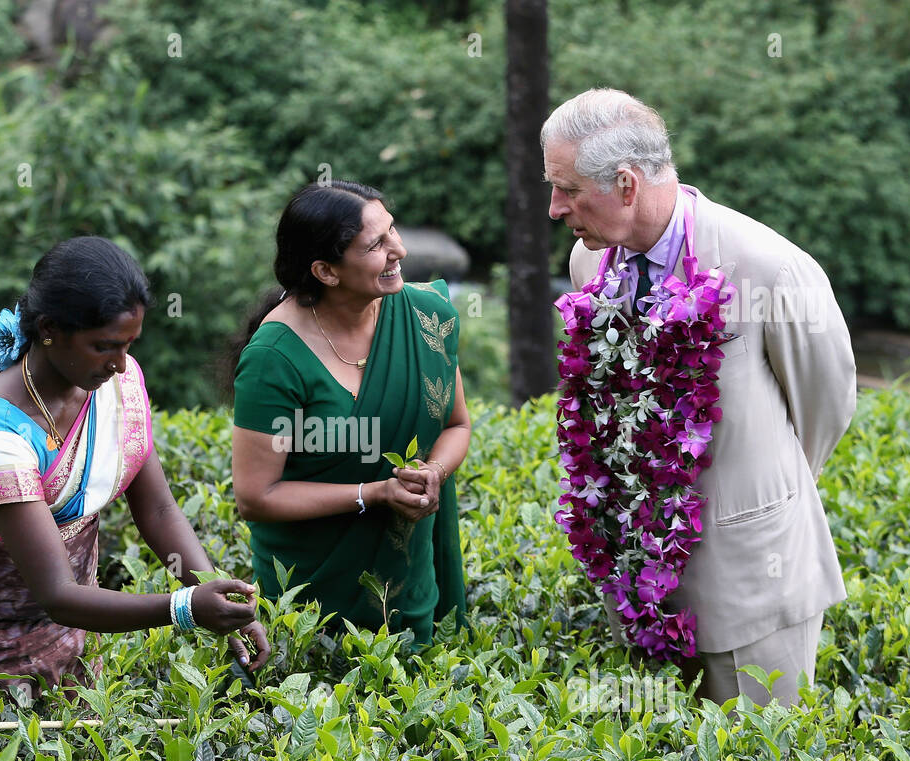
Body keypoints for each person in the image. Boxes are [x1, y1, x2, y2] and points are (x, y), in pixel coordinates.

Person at [544, 88, 857, 706]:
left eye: (567, 188)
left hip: (751, 584)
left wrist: (763, 500)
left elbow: (826, 406)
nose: (555, 207)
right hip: (637, 577)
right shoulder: (590, 262)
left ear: (627, 184)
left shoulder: (771, 269)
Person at [0, 236, 270, 690]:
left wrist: (217, 590)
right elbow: (59, 594)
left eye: (129, 344)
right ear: (49, 329)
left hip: (73, 634)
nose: (120, 363)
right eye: (104, 346)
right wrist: (186, 607)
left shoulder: (113, 385)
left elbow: (158, 509)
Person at [231, 182, 470, 646]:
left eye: (392, 231)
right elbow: (257, 496)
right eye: (376, 244)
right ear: (325, 270)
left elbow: (456, 424)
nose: (398, 249)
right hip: (310, 598)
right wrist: (374, 493)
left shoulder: (427, 316)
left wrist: (432, 473)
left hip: (407, 579)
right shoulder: (274, 358)